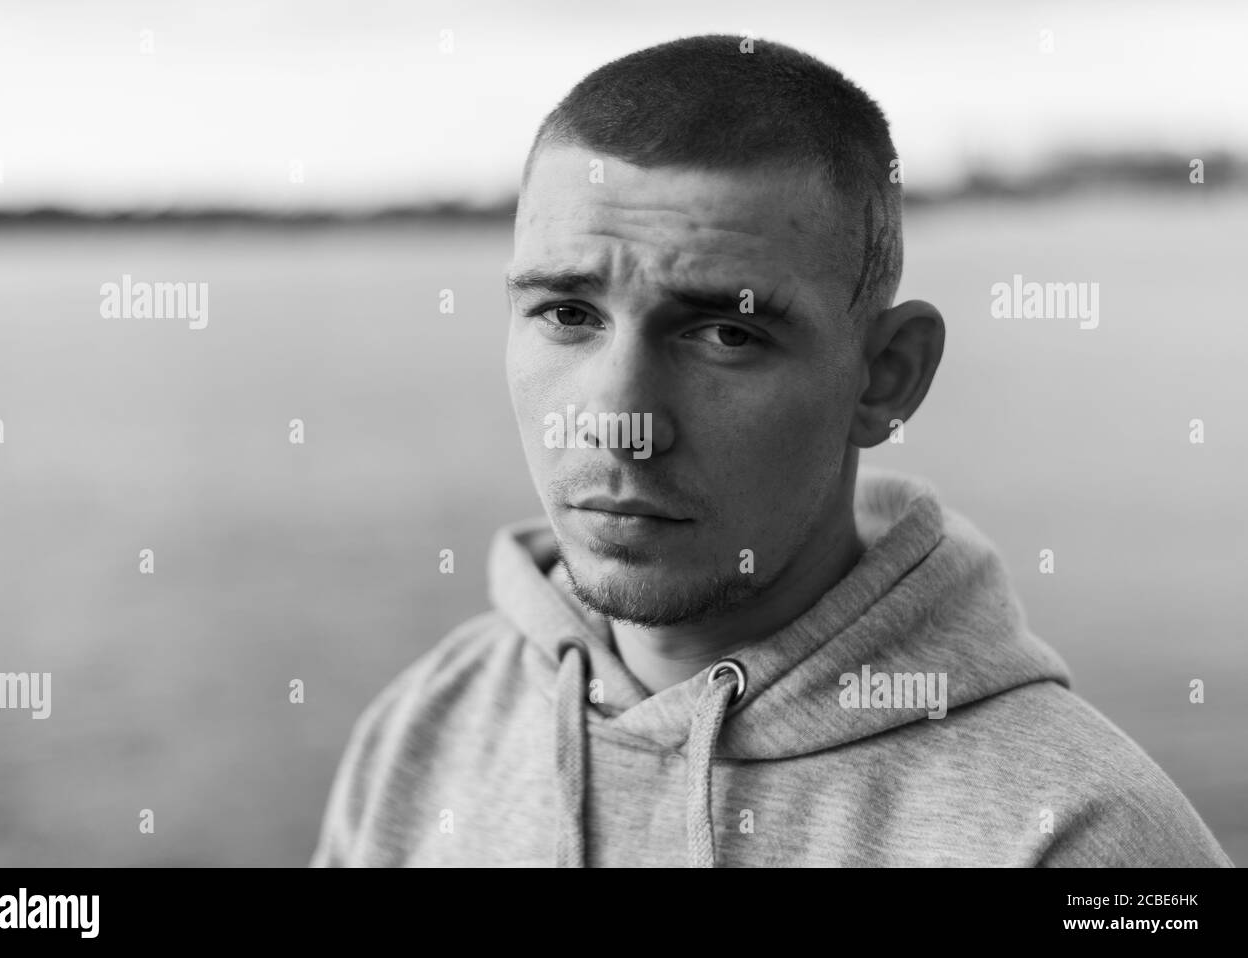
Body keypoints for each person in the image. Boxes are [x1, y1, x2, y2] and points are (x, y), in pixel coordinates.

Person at [311, 34, 1231, 867]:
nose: (618, 421)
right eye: (567, 314)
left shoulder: (1086, 839)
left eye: (725, 335)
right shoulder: (425, 728)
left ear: (885, 378)